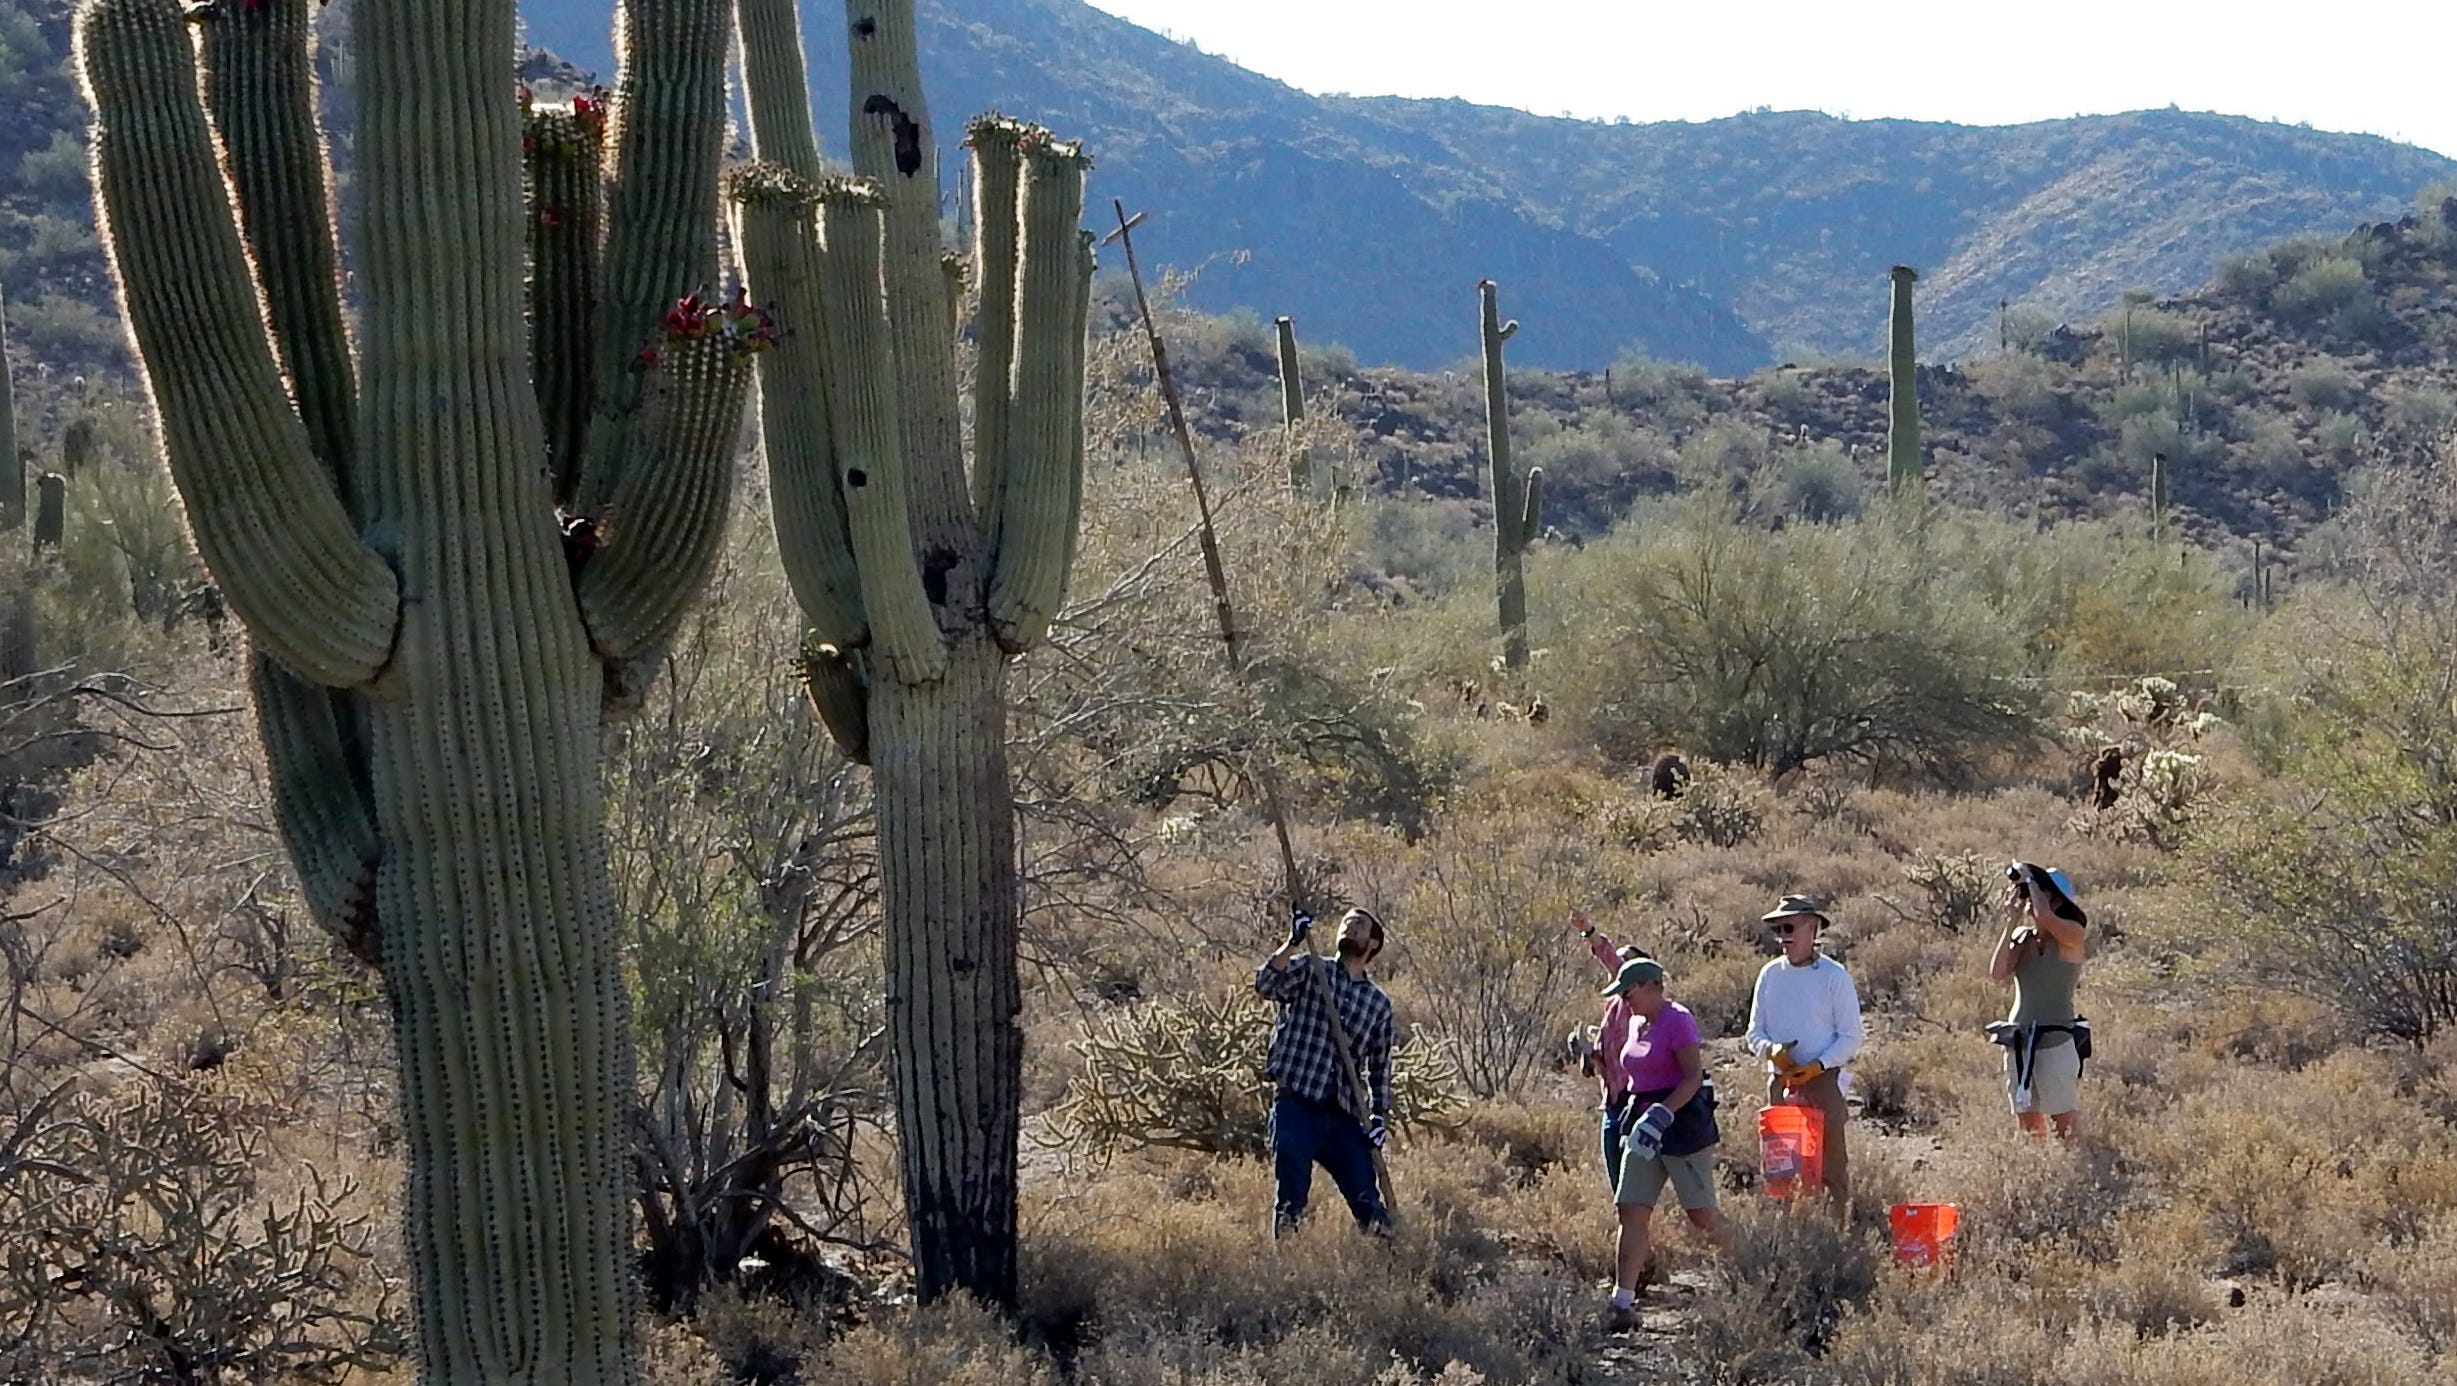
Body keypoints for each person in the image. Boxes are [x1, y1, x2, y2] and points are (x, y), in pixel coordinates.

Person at [1596, 955, 1734, 1330]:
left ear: (1652, 986)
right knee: (1631, 1208)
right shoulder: (1636, 1022)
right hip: (1641, 1122)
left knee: (1701, 1213)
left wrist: (1662, 1114)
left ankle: (1750, 1269)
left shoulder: (1678, 1020)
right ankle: (1622, 1302)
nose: (1625, 1000)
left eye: (1629, 991)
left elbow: (1692, 1077)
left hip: (1680, 1123)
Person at [1255, 906, 1396, 1235]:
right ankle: (1286, 1264)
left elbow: (1379, 1066)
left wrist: (1378, 1118)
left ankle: (1396, 1263)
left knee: (1367, 1200)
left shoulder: (1378, 1004)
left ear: (1373, 943)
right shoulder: (1311, 969)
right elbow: (1265, 984)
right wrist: (1292, 943)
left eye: (1359, 925)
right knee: (1291, 1191)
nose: (1349, 928)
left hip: (1344, 1114)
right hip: (1297, 1103)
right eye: (1346, 923)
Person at [1743, 894, 1863, 1220]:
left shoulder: (1834, 976)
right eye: (1778, 929)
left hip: (1823, 1081)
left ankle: (1838, 1233)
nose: (1784, 936)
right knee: (1782, 1169)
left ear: (1812, 928)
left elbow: (1852, 1036)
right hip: (1780, 1082)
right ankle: (1789, 1232)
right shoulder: (1769, 975)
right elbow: (1753, 1032)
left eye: (1789, 927)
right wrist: (1772, 1053)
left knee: (1831, 1165)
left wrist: (1818, 1066)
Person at [1988, 862, 2089, 1141]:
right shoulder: (2023, 937)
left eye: (2041, 893)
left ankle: (2077, 1174)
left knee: (2065, 1125)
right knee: (2029, 1123)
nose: (2032, 900)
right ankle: (2040, 1171)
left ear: (2057, 899)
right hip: (2019, 1041)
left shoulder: (2072, 936)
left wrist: (2029, 876)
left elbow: (2045, 915)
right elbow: (1997, 973)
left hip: (2055, 1041)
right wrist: (2011, 923)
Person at [1571, 908, 1649, 1185]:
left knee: (1634, 1183)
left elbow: (1611, 960)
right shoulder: (1613, 1008)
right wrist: (1588, 1054)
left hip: (1635, 1104)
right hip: (1613, 1103)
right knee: (1618, 1183)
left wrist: (1589, 931)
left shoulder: (1638, 1006)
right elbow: (1604, 1060)